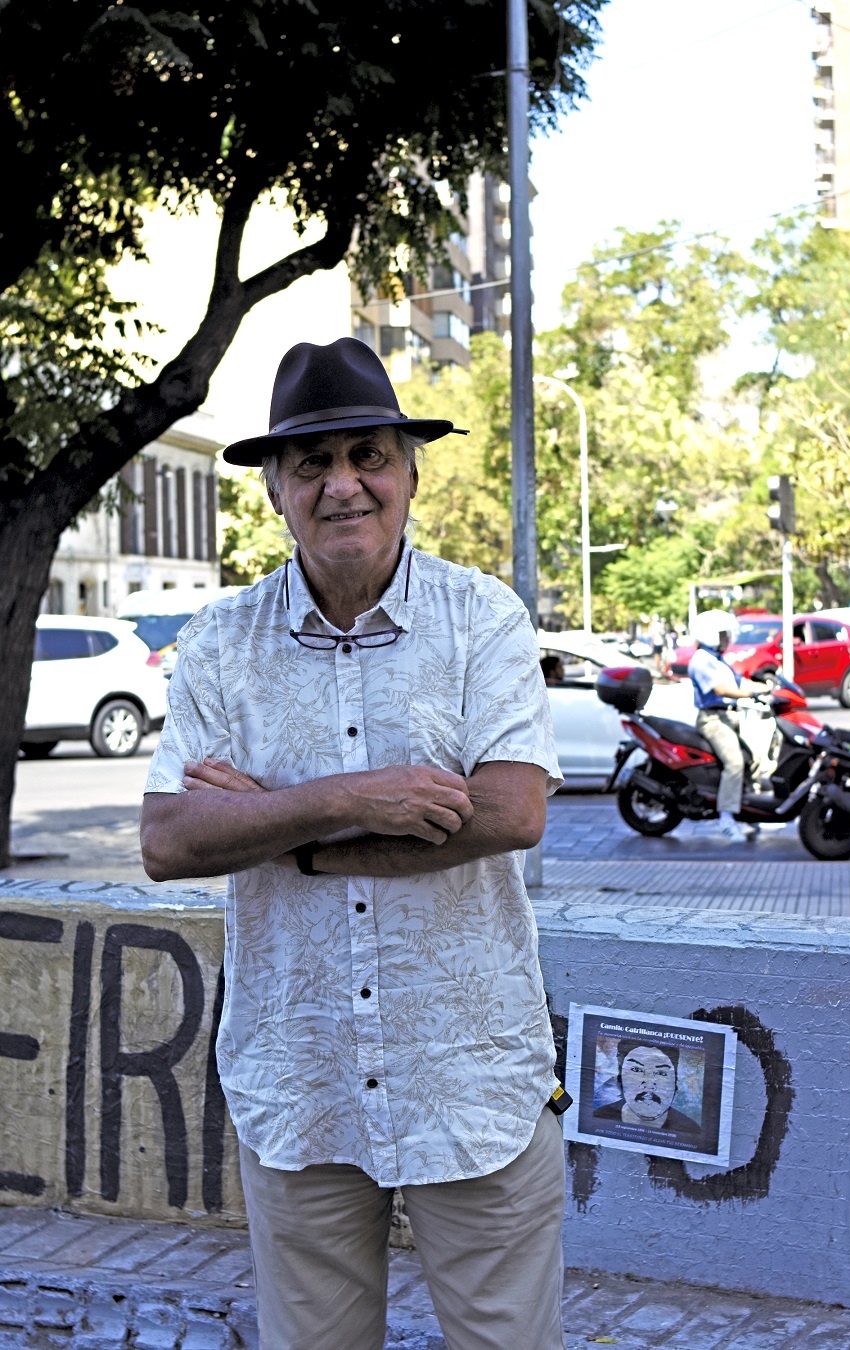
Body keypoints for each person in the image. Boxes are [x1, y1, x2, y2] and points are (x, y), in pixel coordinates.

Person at [140, 337, 566, 1350]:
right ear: (276, 489)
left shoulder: (481, 620)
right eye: (312, 463)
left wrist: (285, 831)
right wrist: (361, 795)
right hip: (302, 1078)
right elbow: (168, 836)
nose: (343, 485)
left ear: (411, 472)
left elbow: (510, 812)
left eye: (369, 455)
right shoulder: (219, 642)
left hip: (473, 1081)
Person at [687, 610, 769, 843]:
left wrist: (765, 687)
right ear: (710, 635)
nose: (727, 638)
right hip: (713, 721)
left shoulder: (716, 659)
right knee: (734, 762)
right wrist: (749, 693)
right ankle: (726, 818)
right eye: (723, 634)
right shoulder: (701, 661)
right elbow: (720, 689)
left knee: (751, 759)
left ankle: (748, 809)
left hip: (730, 718)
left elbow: (738, 680)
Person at [593, 1041, 699, 1132]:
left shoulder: (690, 1131)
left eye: (661, 1073)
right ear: (620, 1077)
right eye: (637, 1070)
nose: (648, 1085)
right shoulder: (598, 1120)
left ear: (675, 1080)